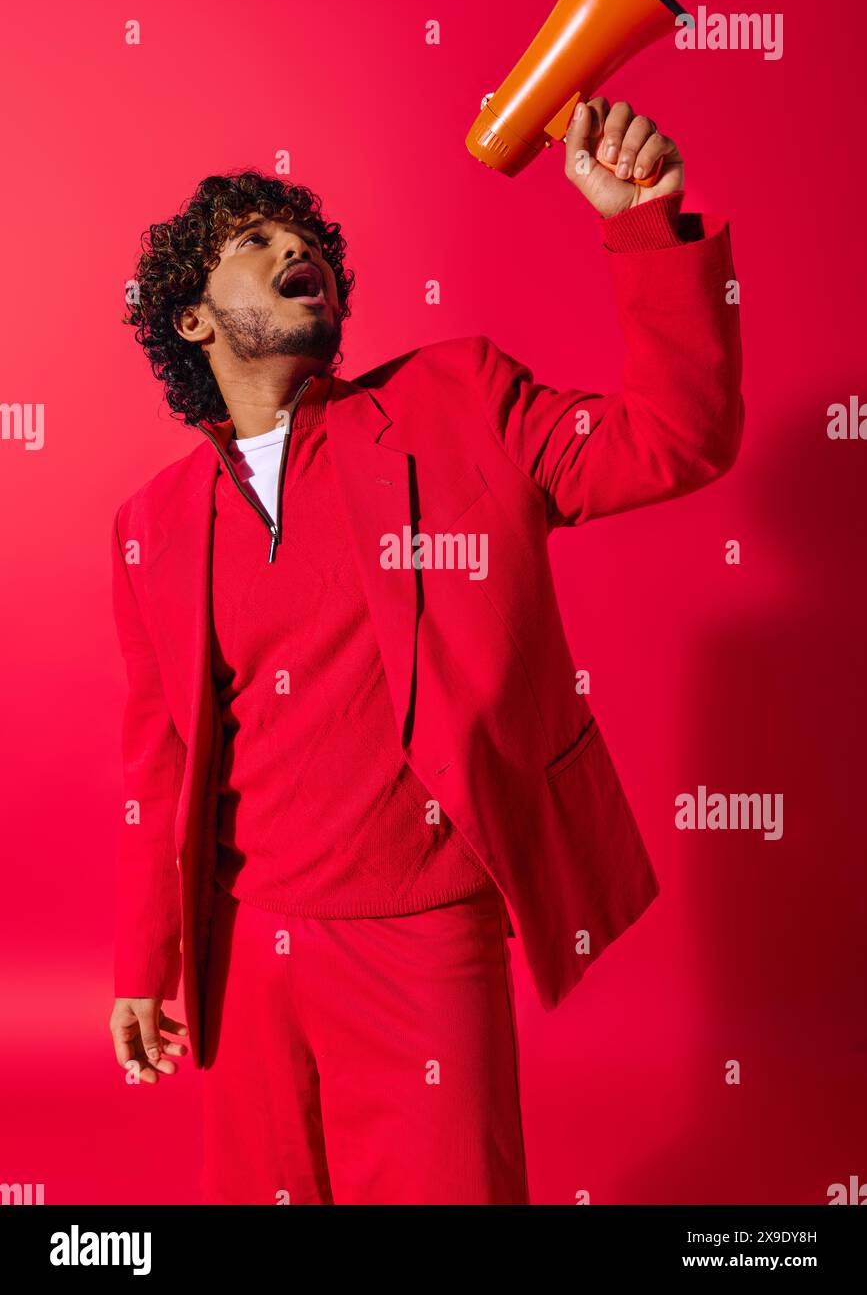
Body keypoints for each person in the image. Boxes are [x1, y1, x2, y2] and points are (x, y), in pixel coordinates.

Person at [108, 97, 744, 1204]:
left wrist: (643, 227)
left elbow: (676, 441)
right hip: (248, 949)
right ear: (194, 321)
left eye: (300, 235)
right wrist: (142, 961)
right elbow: (161, 755)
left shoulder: (462, 400)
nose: (293, 245)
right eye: (251, 241)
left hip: (422, 936)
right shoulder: (151, 520)